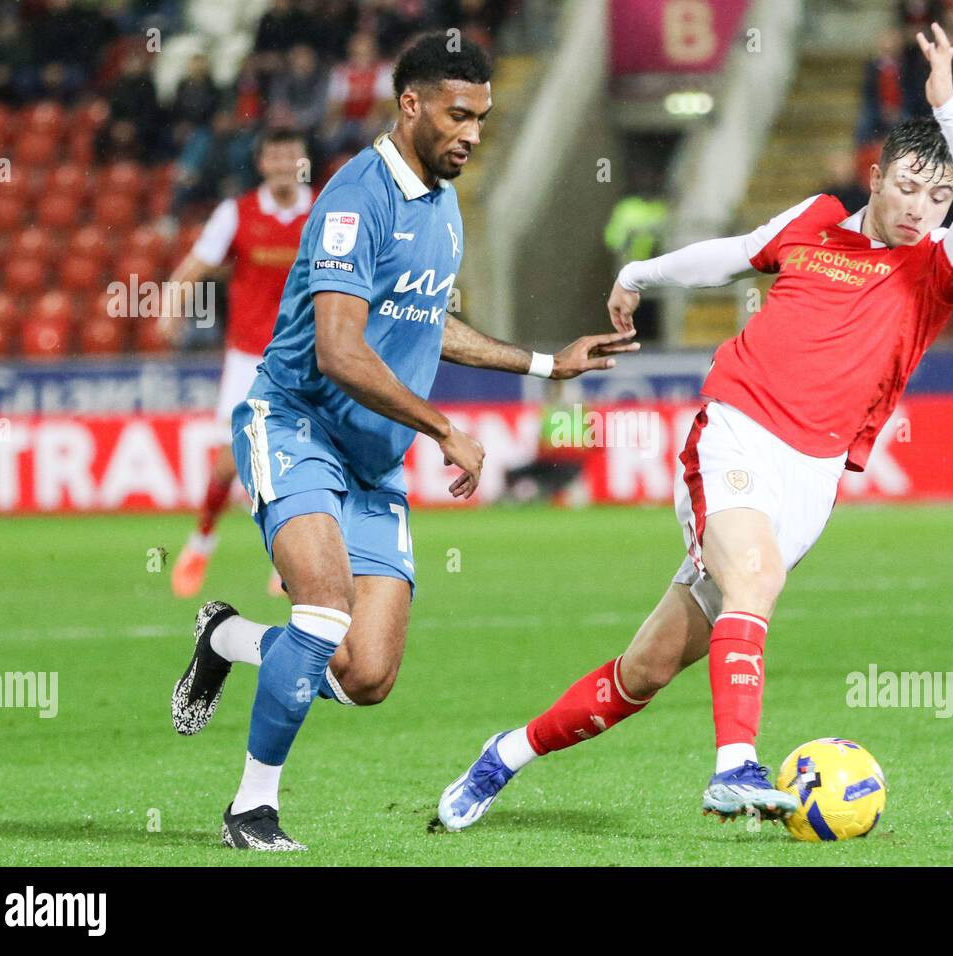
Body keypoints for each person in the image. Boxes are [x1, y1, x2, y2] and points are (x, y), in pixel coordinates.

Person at [437, 24, 953, 831]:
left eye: (938, 198)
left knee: (647, 668)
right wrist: (640, 272)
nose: (923, 209)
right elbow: (733, 254)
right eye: (909, 188)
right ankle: (734, 767)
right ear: (875, 179)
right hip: (736, 430)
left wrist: (948, 111)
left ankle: (506, 754)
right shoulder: (814, 220)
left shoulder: (938, 270)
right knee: (755, 578)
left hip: (811, 477)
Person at [167, 33, 638, 850]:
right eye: (459, 115)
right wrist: (446, 427)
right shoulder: (356, 198)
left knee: (366, 676)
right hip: (295, 425)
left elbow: (429, 322)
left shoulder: (444, 205)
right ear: (410, 104)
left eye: (483, 119)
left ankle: (226, 637)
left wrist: (539, 362)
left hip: (373, 459)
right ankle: (251, 808)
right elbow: (338, 350)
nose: (472, 134)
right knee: (321, 610)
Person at [161, 128, 315, 599]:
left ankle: (290, 561)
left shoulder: (325, 210)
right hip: (249, 356)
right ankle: (201, 540)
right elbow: (197, 265)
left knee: (306, 460)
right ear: (263, 163)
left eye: (292, 154)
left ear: (303, 161)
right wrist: (171, 305)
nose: (285, 163)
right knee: (231, 463)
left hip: (308, 356)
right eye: (275, 155)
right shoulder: (236, 213)